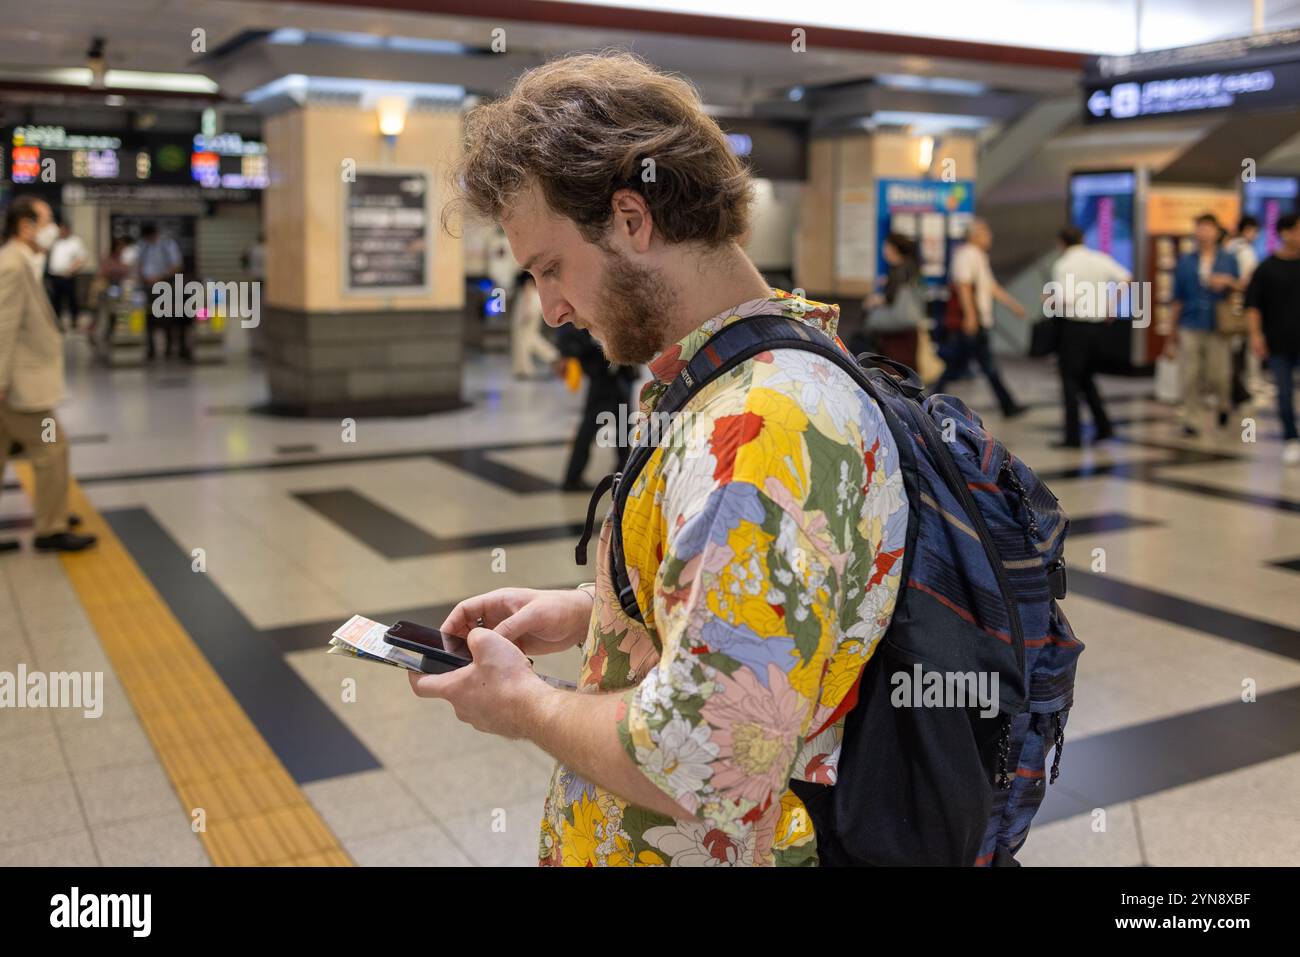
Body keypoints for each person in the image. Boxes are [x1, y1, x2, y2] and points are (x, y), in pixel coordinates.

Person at [412, 51, 908, 866]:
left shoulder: (758, 428)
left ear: (631, 219)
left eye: (551, 267)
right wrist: (595, 609)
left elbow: (704, 761)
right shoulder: (760, 364)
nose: (555, 307)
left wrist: (524, 704)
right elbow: (764, 620)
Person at [0, 196, 97, 552]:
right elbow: (4, 325)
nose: (52, 227)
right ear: (24, 226)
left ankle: (50, 510)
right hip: (18, 388)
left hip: (11, 386)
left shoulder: (22, 260)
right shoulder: (12, 265)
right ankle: (50, 528)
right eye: (46, 220)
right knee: (53, 447)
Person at [932, 218, 1028, 416]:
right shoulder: (966, 255)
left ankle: (1007, 405)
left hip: (977, 320)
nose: (989, 237)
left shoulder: (978, 256)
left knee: (962, 364)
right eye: (985, 233)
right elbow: (963, 286)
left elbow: (990, 286)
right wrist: (970, 316)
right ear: (974, 235)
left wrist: (1013, 305)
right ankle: (1007, 405)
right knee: (977, 365)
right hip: (970, 321)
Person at [1048, 225, 1128, 447]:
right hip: (1097, 327)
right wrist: (1112, 305)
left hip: (1074, 328)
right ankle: (1104, 426)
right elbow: (1126, 278)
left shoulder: (1064, 264)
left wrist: (1050, 300)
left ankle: (1072, 436)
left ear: (1061, 242)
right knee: (1087, 378)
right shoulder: (1100, 258)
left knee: (1070, 383)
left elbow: (1066, 298)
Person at [1166, 213, 1239, 436]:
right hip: (1190, 321)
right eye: (1200, 228)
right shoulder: (1186, 261)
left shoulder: (1228, 259)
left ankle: (1224, 404)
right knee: (1189, 373)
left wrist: (1227, 282)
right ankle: (1191, 419)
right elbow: (1177, 298)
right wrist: (1171, 335)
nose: (1204, 233)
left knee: (1219, 375)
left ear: (1217, 232)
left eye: (1208, 228)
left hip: (1218, 324)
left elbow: (1242, 287)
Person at [1245, 212, 1300, 465]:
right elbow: (1253, 306)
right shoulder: (1267, 268)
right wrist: (1256, 335)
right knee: (1284, 392)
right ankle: (1291, 437)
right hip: (1278, 342)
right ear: (1286, 233)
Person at [554, 323, 634, 490]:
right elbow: (573, 336)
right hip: (603, 375)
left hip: (618, 373)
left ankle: (623, 471)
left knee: (623, 425)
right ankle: (572, 477)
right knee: (591, 426)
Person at [864, 232, 924, 369]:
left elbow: (892, 298)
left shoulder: (899, 270)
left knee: (895, 368)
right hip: (907, 330)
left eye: (886, 246)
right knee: (905, 367)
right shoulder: (911, 266)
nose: (884, 250)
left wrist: (874, 300)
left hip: (897, 329)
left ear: (894, 248)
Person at [135, 222, 185, 361]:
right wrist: (143, 277)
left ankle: (170, 346)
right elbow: (139, 264)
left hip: (165, 285)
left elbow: (176, 266)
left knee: (168, 316)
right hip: (148, 285)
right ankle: (150, 347)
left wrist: (160, 277)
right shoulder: (143, 246)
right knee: (148, 317)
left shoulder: (167, 245)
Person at [1225, 215, 1261, 408]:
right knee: (1242, 349)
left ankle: (1237, 389)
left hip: (1230, 306)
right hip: (1241, 306)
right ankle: (1243, 388)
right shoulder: (1245, 251)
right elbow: (1250, 280)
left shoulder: (1229, 247)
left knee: (1233, 349)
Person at [510, 273, 559, 378]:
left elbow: (528, 285)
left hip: (529, 301)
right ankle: (524, 368)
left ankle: (552, 356)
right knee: (528, 338)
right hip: (533, 299)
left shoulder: (526, 274)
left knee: (523, 338)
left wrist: (527, 310)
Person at [45, 220, 87, 332]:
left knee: (72, 299)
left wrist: (71, 270)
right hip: (55, 275)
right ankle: (56, 322)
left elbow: (81, 259)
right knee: (56, 300)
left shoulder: (75, 241)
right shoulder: (55, 241)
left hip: (68, 276)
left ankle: (74, 321)